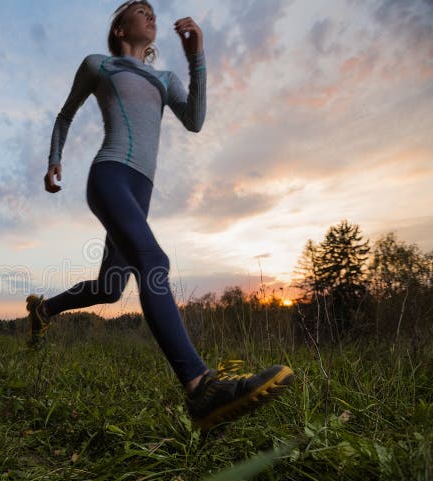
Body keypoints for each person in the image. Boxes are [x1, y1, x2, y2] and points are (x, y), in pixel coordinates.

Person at [25, 0, 294, 431]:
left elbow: (196, 120)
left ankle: (43, 310)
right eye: (139, 9)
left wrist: (196, 58)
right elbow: (65, 113)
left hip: (141, 190)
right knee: (154, 263)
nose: (149, 14)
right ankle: (201, 386)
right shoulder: (99, 65)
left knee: (112, 288)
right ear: (119, 28)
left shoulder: (164, 79)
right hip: (109, 177)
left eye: (153, 11)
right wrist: (54, 158)